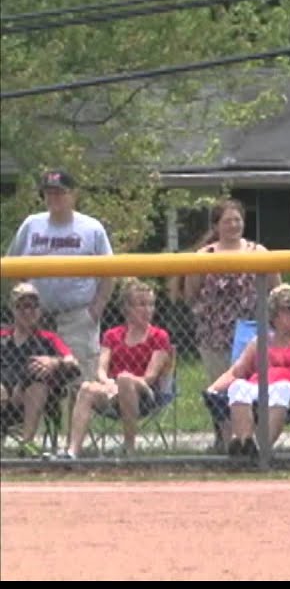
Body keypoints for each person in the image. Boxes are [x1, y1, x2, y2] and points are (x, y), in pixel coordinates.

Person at [6, 169, 113, 396]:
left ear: (73, 195)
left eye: (59, 193)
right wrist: (23, 307)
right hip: (36, 320)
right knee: (33, 383)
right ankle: (33, 431)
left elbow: (109, 273)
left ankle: (74, 433)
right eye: (48, 193)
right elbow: (12, 265)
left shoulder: (91, 228)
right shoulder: (31, 225)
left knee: (79, 385)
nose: (53, 198)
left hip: (77, 317)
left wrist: (96, 310)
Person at [206, 283, 290, 458]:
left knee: (281, 388)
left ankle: (261, 447)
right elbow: (236, 372)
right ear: (275, 315)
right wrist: (213, 389)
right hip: (260, 387)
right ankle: (244, 441)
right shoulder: (259, 342)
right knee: (238, 386)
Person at [172, 198, 280, 386]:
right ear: (216, 226)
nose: (233, 225)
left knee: (253, 388)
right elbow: (191, 294)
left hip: (253, 335)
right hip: (215, 339)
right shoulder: (204, 256)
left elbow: (277, 292)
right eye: (227, 221)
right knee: (221, 391)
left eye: (237, 220)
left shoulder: (259, 252)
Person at [64, 279, 175, 459]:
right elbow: (101, 369)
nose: (147, 310)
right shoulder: (112, 335)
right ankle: (72, 451)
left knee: (124, 378)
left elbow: (150, 377)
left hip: (145, 394)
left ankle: (129, 449)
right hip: (112, 391)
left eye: (151, 304)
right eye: (141, 305)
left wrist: (125, 380)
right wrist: (107, 382)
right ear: (127, 309)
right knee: (86, 388)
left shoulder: (159, 336)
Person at [0, 283, 79, 456]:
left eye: (33, 306)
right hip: (3, 392)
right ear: (13, 310)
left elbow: (73, 363)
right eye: (23, 306)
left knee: (38, 385)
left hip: (30, 397)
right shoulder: (3, 337)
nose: (28, 312)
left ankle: (26, 446)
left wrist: (54, 361)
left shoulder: (48, 338)